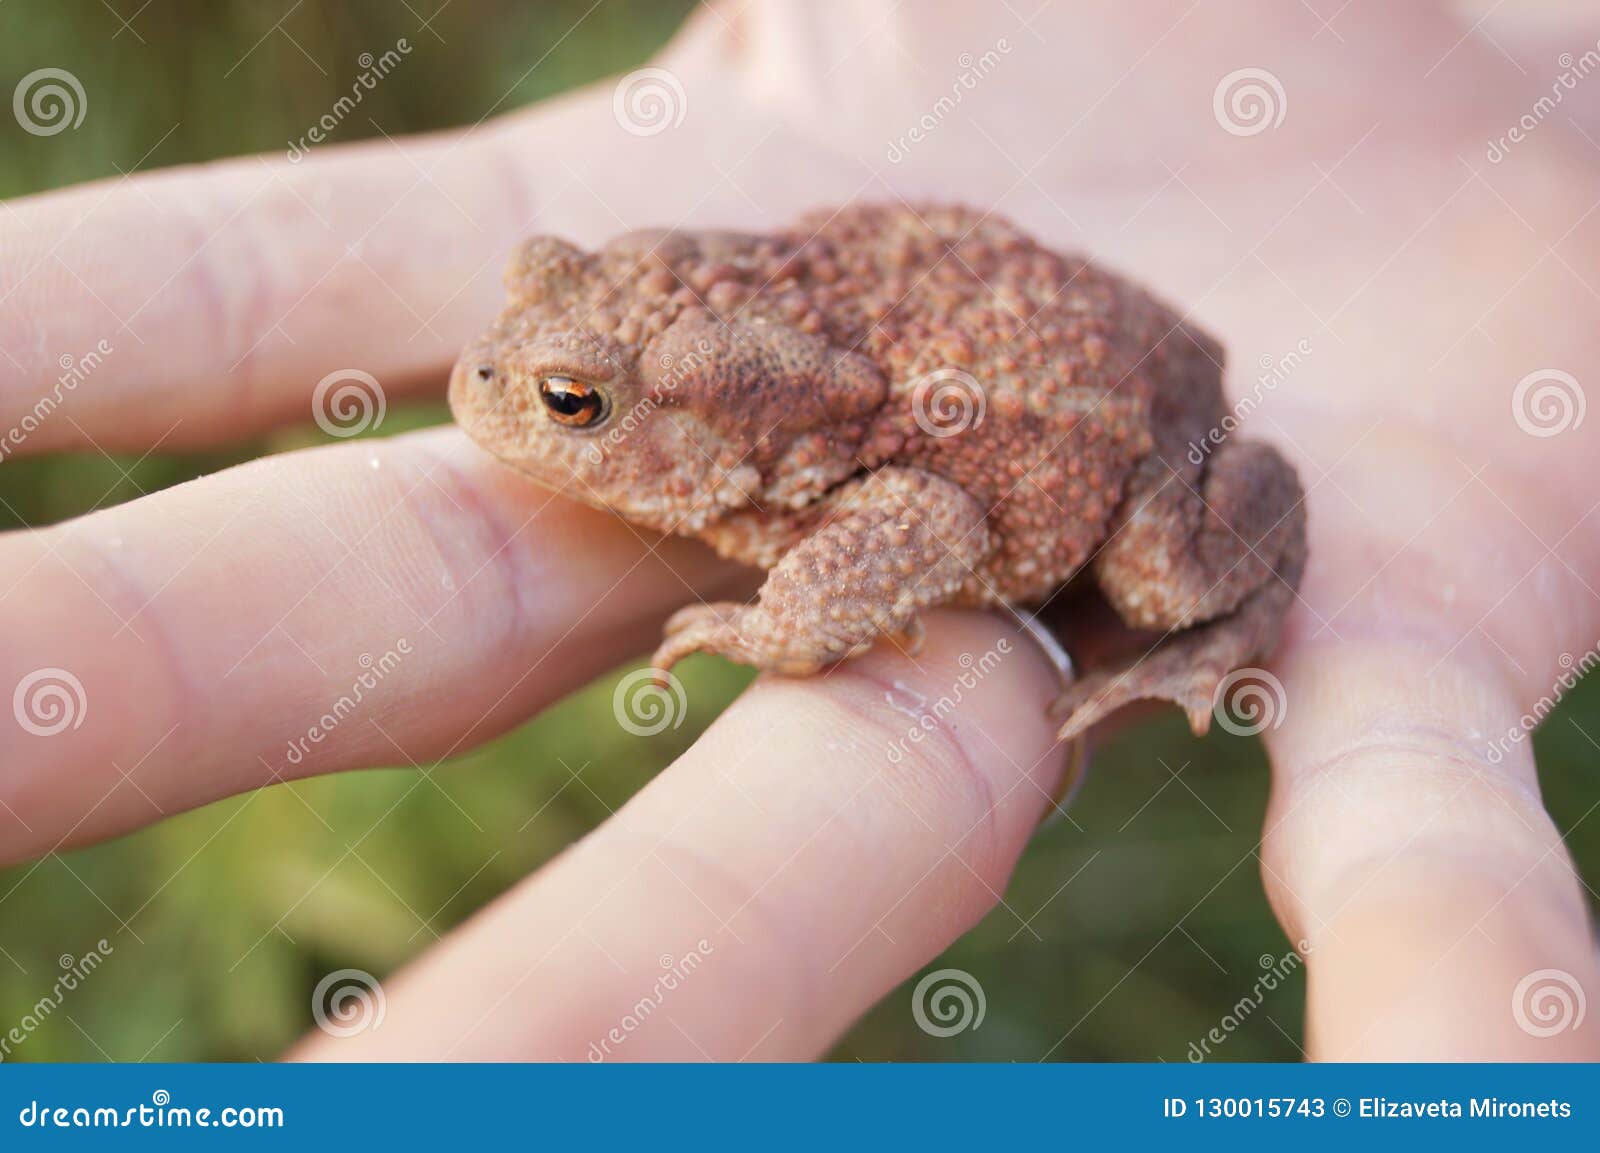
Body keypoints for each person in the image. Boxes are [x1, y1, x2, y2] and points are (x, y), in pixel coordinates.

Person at [1, 0, 1595, 1060]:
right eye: (553, 365)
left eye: (570, 404)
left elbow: (927, 504)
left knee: (1163, 572)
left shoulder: (825, 448)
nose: (493, 388)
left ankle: (1237, 603)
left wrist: (783, 621)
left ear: (706, 435)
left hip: (1120, 419)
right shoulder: (738, 347)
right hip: (978, 307)